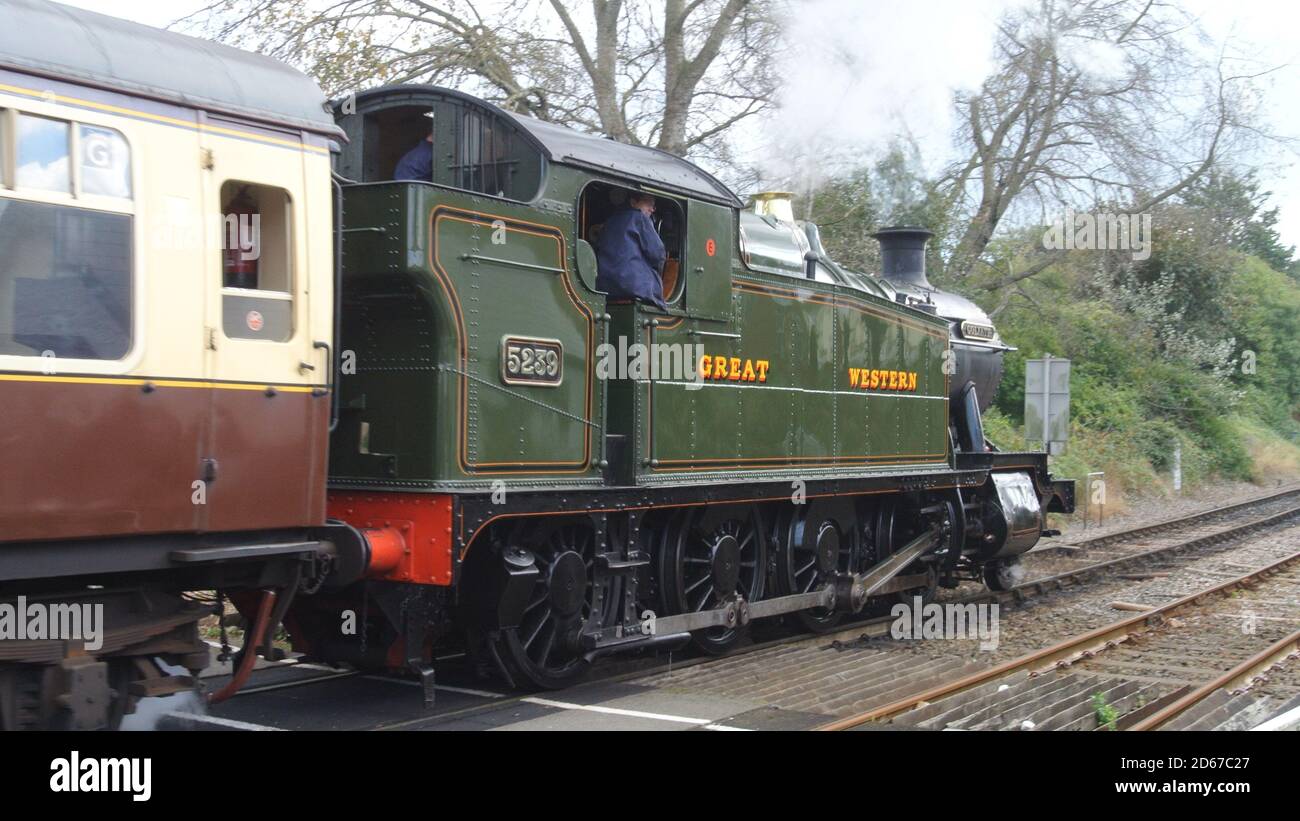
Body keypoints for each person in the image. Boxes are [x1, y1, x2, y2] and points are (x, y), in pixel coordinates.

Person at [595, 192, 668, 309]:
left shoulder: (609, 222)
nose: (652, 209)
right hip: (635, 286)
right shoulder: (639, 218)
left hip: (606, 285)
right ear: (633, 202)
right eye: (648, 203)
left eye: (653, 205)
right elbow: (657, 253)